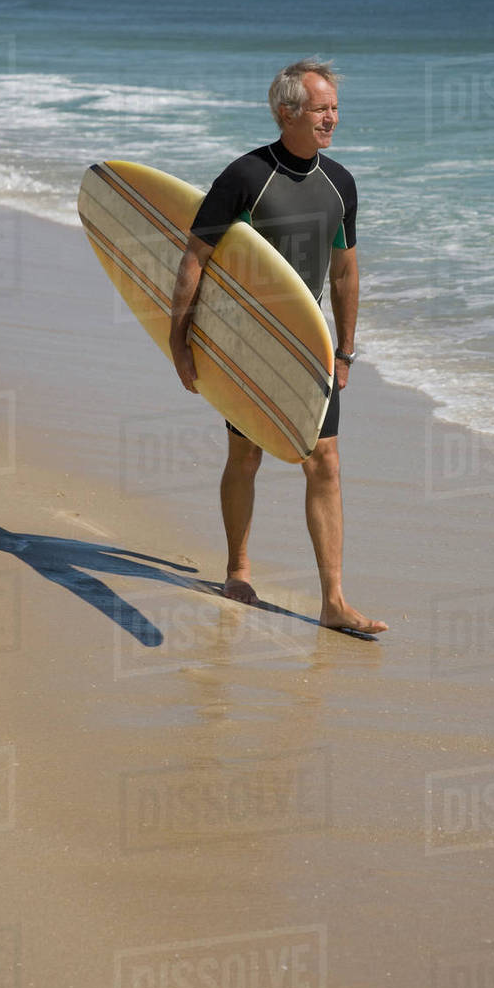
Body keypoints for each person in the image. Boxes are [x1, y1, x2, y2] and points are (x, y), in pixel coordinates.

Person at [169, 59, 388, 635]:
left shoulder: (340, 183)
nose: (332, 118)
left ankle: (334, 601)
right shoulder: (245, 177)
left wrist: (345, 350)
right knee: (248, 456)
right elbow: (195, 258)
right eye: (321, 109)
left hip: (309, 343)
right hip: (250, 346)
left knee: (326, 463)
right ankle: (238, 569)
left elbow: (344, 273)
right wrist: (181, 341)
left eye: (335, 108)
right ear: (286, 112)